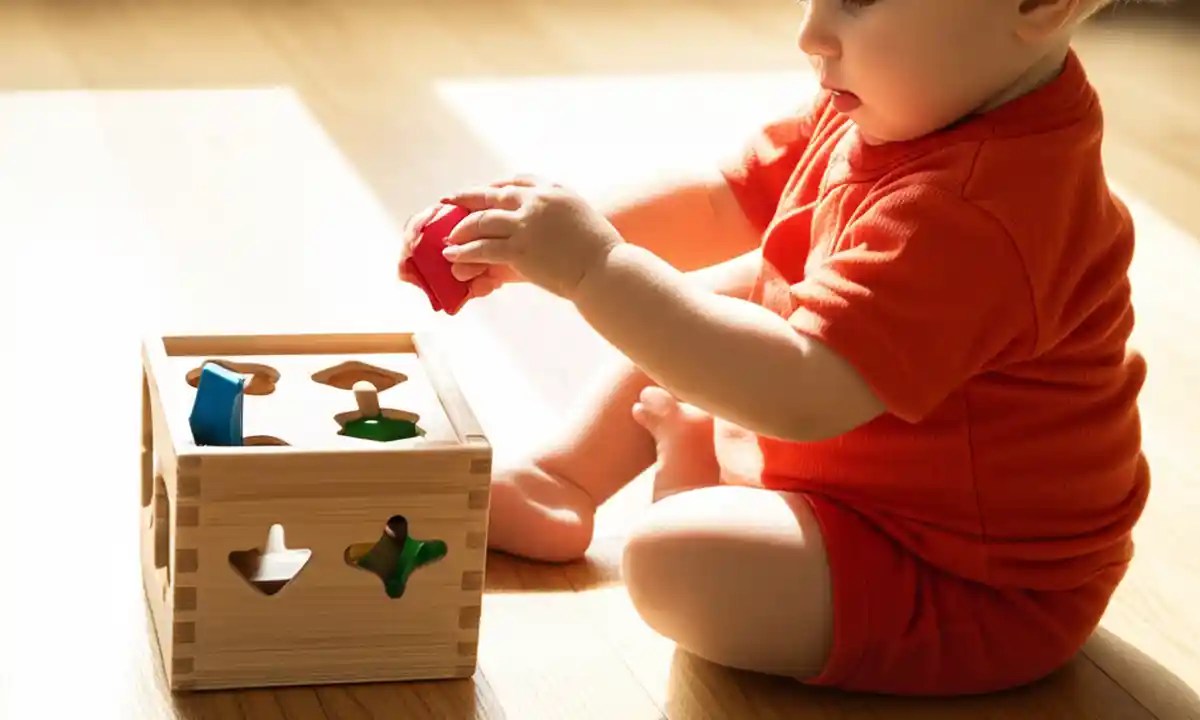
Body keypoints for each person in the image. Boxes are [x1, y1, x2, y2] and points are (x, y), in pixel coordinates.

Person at [398, 0, 1150, 696]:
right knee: (709, 291)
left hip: (960, 582)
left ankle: (695, 486)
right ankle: (562, 480)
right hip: (846, 465)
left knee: (673, 563)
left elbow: (799, 390)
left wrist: (594, 268)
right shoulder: (896, 103)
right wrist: (541, 239)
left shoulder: (984, 209)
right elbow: (728, 197)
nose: (810, 34)